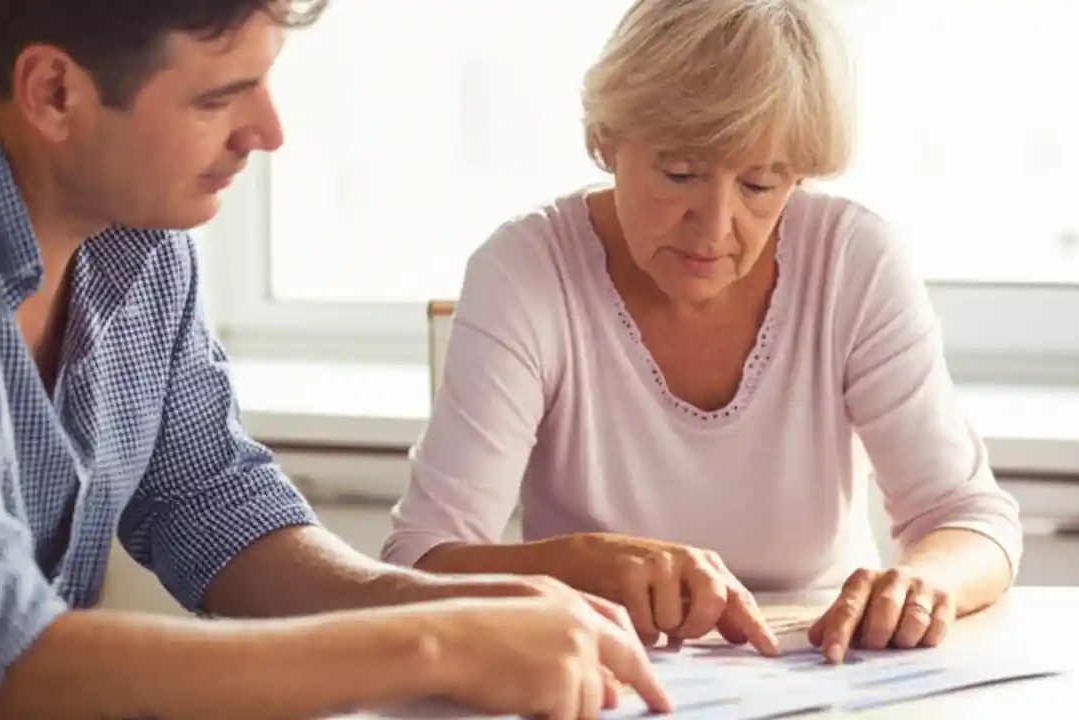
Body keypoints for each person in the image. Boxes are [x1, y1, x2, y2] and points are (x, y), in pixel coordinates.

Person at [0, 1, 672, 718]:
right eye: (220, 98)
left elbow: (209, 499)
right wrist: (432, 644)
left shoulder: (135, 219)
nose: (270, 131)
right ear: (55, 92)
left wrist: (452, 604)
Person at [384, 0, 1024, 665]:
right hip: (603, 678)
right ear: (607, 140)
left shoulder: (851, 260)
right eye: (680, 173)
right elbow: (421, 560)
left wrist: (922, 585)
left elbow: (970, 520)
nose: (715, 227)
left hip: (827, 676)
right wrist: (579, 563)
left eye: (758, 185)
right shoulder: (525, 272)